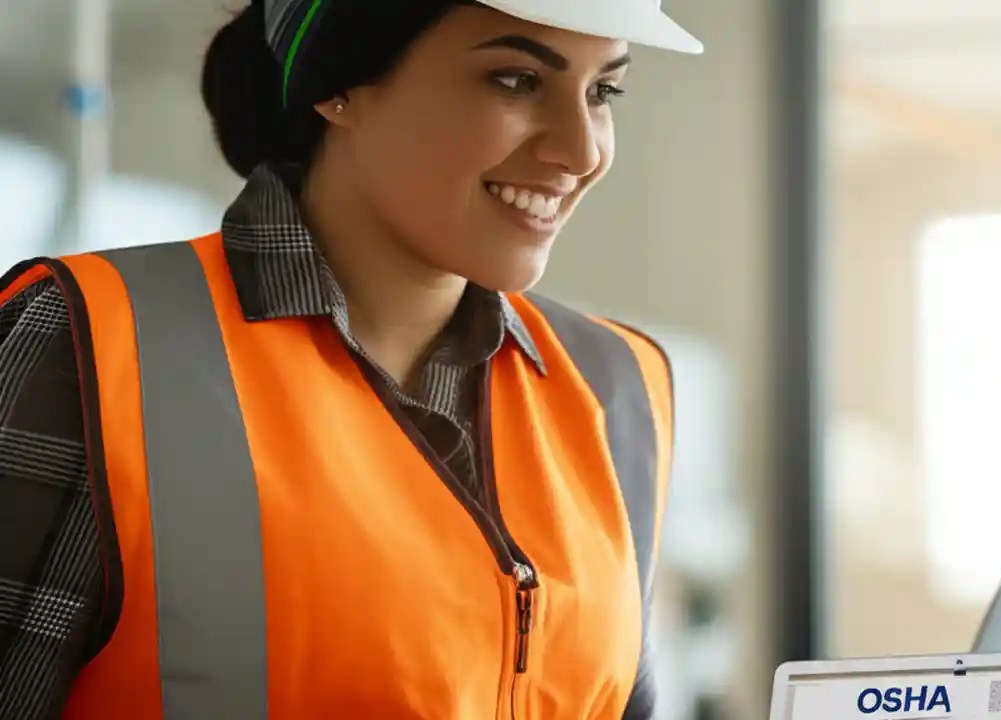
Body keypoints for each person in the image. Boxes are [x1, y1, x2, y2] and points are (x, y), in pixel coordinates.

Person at [0, 0, 701, 717]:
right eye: (515, 80)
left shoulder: (618, 384)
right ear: (339, 86)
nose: (581, 152)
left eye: (602, 92)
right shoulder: (93, 342)